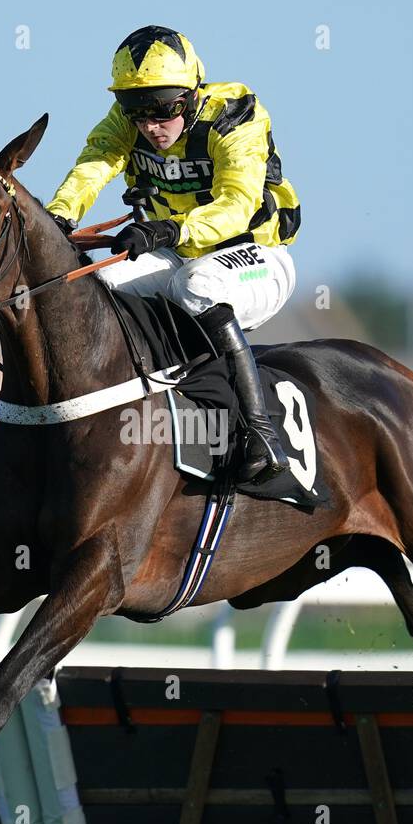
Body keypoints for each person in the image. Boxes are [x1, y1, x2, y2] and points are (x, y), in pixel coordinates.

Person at [46, 25, 302, 485]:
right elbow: (94, 164)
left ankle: (262, 435)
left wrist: (166, 228)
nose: (149, 124)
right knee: (95, 286)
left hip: (255, 257)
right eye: (136, 109)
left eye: (164, 108)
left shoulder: (235, 118)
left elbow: (236, 205)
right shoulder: (127, 122)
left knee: (196, 285)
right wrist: (58, 218)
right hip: (179, 251)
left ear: (191, 92)